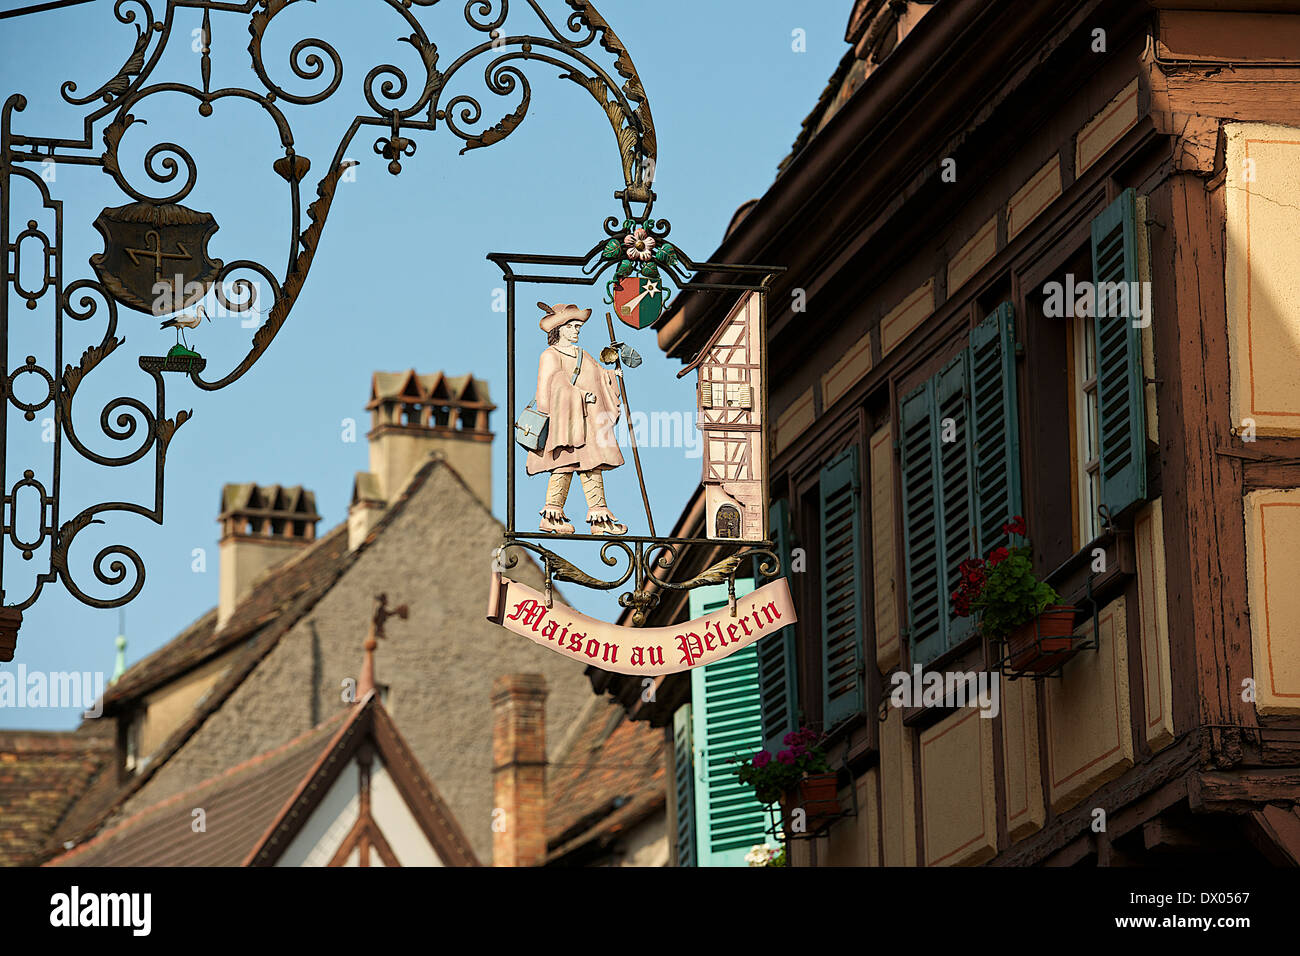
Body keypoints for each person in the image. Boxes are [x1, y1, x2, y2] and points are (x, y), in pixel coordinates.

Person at [528, 302, 627, 535]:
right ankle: (551, 517)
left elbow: (597, 375)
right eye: (572, 326)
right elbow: (548, 390)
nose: (576, 331)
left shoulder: (581, 353)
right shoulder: (550, 356)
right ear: (559, 328)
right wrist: (580, 396)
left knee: (592, 466)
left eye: (578, 327)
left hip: (587, 424)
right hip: (565, 424)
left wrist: (611, 376)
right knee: (563, 465)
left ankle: (600, 520)